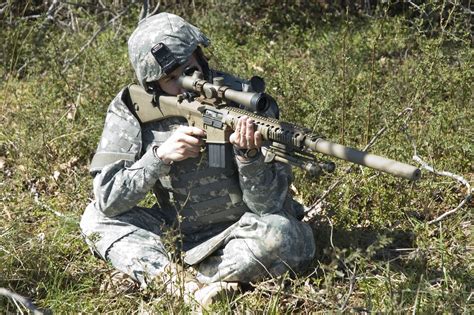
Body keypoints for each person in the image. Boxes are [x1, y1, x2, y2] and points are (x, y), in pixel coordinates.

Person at [80, 12, 315, 305]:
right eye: (171, 79)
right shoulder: (132, 108)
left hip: (240, 232)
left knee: (284, 236)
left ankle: (183, 282)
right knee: (95, 219)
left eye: (190, 69)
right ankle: (191, 284)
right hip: (175, 231)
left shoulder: (243, 100)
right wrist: (158, 157)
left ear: (199, 56)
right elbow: (107, 198)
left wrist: (248, 156)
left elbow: (268, 207)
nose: (187, 83)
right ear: (152, 84)